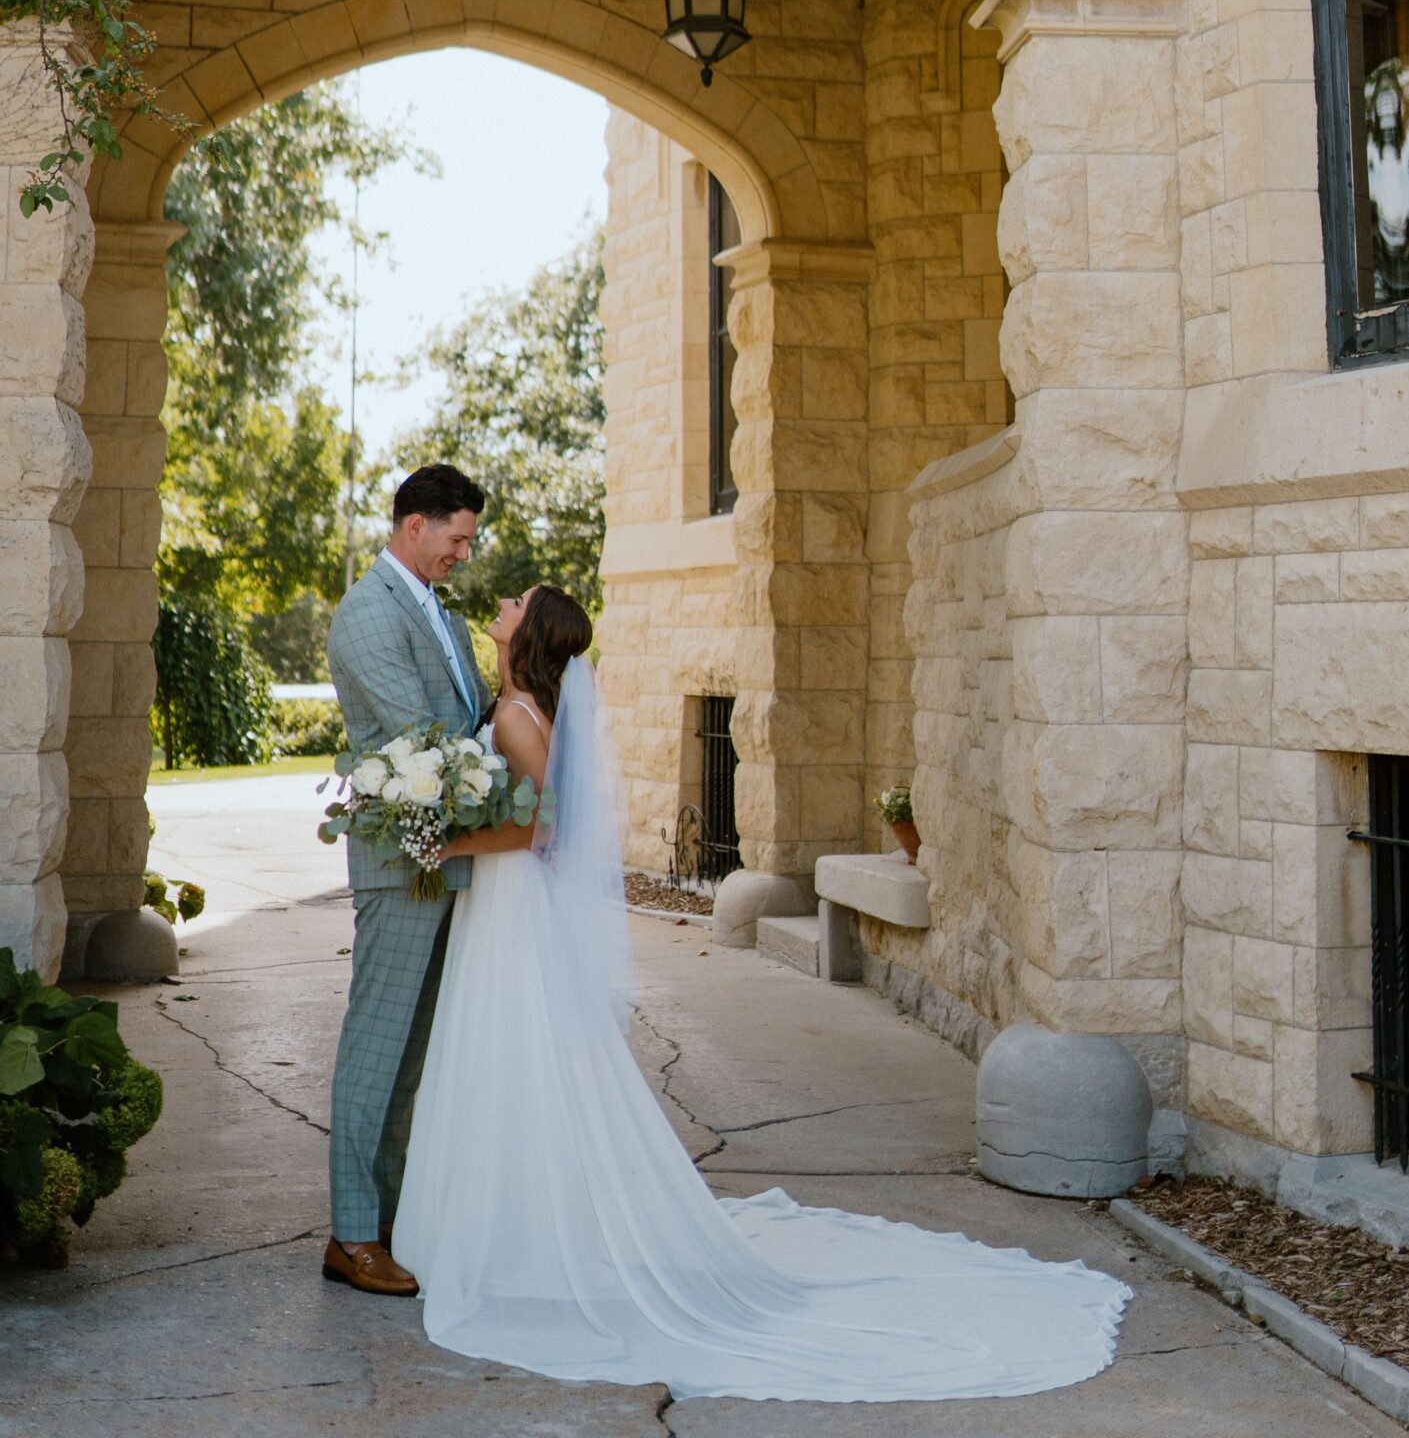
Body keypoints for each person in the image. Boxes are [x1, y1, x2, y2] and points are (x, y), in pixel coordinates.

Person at [390, 584, 1133, 1406]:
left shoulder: (516, 717)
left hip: (511, 909)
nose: (500, 600)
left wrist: (448, 840)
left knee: (512, 1057)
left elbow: (543, 829)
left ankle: (517, 1240)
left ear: (529, 632)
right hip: (506, 909)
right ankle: (516, 1229)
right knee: (508, 1062)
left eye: (515, 600)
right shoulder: (521, 707)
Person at [322, 462, 490, 1298]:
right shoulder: (366, 614)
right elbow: (426, 738)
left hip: (448, 860)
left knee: (416, 1054)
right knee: (376, 1047)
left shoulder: (442, 616)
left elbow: (475, 720)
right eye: (456, 537)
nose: (464, 552)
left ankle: (387, 1217)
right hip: (400, 863)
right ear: (414, 525)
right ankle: (350, 1235)